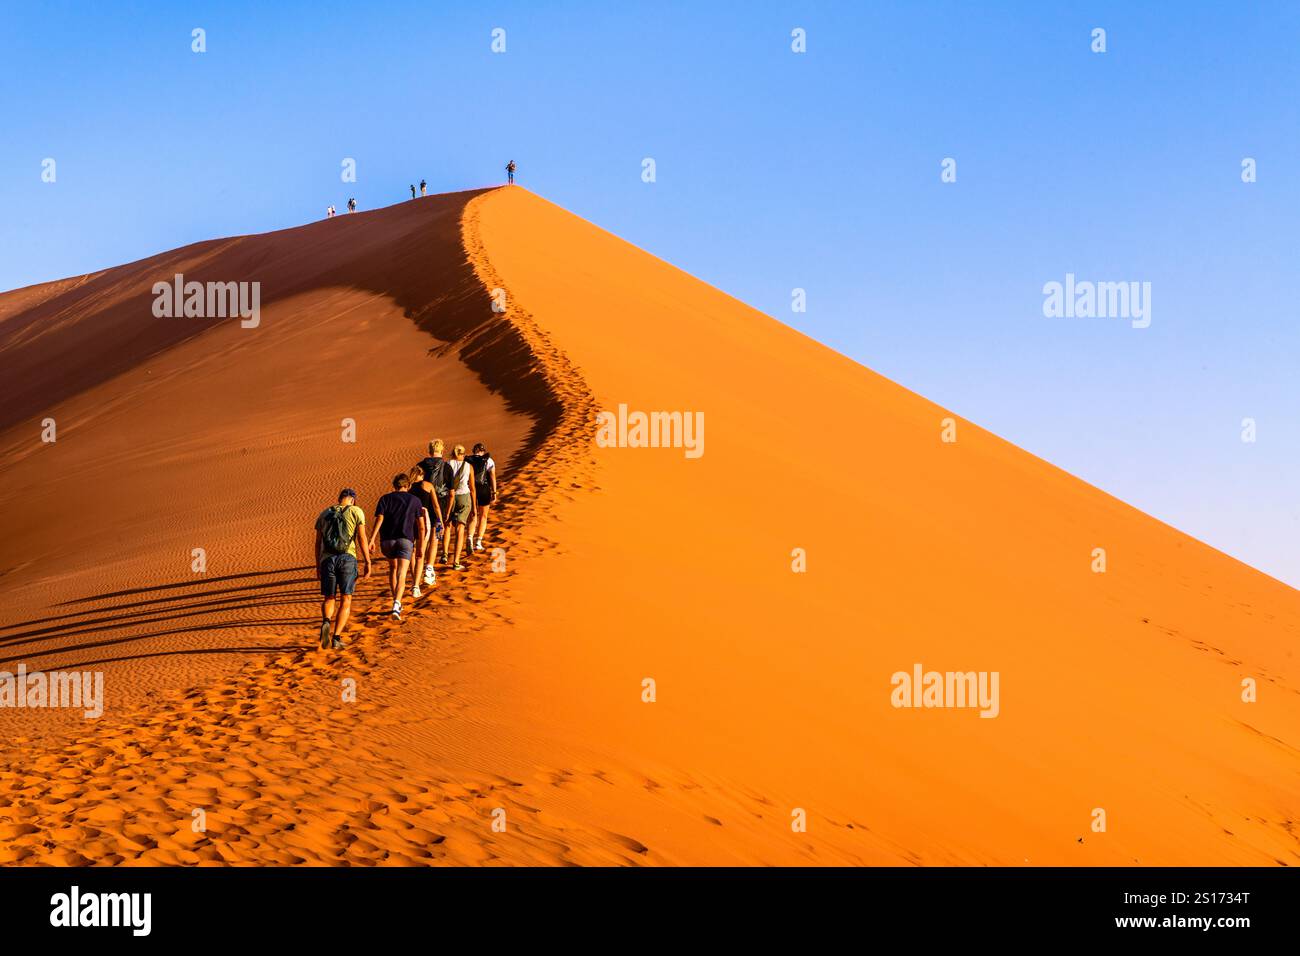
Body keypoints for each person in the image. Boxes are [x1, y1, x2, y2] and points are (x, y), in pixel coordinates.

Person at [314, 488, 372, 649]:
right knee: (346, 598)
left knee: (329, 597)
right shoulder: (356, 511)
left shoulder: (324, 514)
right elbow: (361, 537)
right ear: (352, 500)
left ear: (339, 498)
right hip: (347, 558)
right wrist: (367, 561)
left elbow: (318, 543)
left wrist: (318, 566)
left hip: (327, 560)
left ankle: (326, 621)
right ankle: (336, 638)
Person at [369, 474, 427, 620]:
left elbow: (380, 519)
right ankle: (396, 603)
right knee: (402, 573)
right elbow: (421, 526)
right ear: (407, 486)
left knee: (393, 569)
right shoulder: (415, 500)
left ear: (395, 485)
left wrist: (372, 539)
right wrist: (420, 545)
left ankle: (396, 600)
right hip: (405, 540)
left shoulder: (385, 499)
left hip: (387, 541)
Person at [406, 465, 442, 594]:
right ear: (422, 475)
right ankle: (417, 584)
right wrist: (440, 522)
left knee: (413, 552)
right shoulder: (427, 485)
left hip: (409, 520)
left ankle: (415, 581)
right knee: (421, 552)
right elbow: (436, 506)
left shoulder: (408, 488)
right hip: (424, 518)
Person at [418, 439, 452, 573]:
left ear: (430, 450)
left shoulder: (421, 465)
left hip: (423, 503)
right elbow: (452, 492)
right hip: (441, 504)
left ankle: (420, 565)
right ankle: (429, 568)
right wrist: (448, 511)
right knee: (436, 535)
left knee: (423, 534)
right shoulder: (447, 467)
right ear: (442, 450)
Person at [444, 444, 477, 570]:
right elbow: (473, 489)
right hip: (464, 496)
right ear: (463, 454)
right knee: (460, 529)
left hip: (450, 497)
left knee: (447, 525)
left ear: (453, 453)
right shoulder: (469, 467)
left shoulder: (448, 464)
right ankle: (456, 561)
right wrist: (474, 506)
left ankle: (445, 554)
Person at [465, 443, 498, 552]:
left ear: (474, 451)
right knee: (483, 516)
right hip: (484, 490)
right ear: (483, 451)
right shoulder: (488, 461)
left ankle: (469, 537)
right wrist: (494, 492)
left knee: (473, 515)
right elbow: (492, 477)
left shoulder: (468, 460)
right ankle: (478, 542)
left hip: (471, 490)